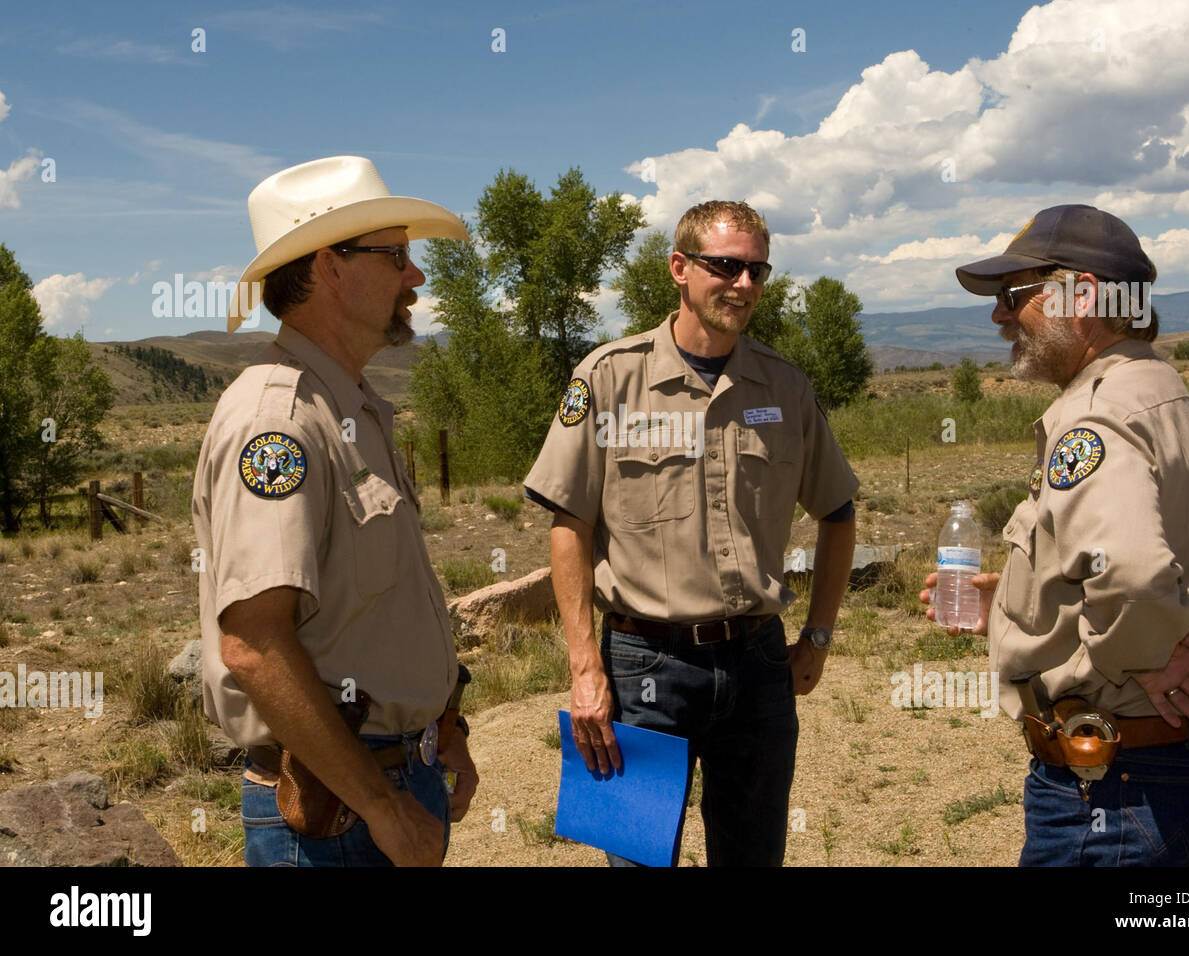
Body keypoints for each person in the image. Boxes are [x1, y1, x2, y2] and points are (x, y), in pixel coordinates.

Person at [524, 200, 859, 866]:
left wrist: (818, 635)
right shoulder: (609, 378)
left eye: (757, 272)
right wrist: (584, 666)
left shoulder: (786, 389)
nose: (744, 285)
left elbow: (839, 512)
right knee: (636, 856)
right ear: (680, 267)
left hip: (758, 664)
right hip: (641, 666)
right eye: (726, 266)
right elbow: (569, 523)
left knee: (753, 857)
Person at [921, 204, 1189, 866]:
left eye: (1014, 296)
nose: (1000, 316)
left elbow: (1133, 576)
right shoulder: (1156, 389)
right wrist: (1009, 607)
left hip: (1111, 787)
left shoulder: (1097, 416)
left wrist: (1148, 655)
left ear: (1082, 295)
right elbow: (1105, 562)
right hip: (1162, 770)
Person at [192, 155, 478, 866]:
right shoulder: (278, 422)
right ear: (331, 267)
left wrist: (444, 729)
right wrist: (382, 809)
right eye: (397, 257)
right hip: (338, 815)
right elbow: (255, 645)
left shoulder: (349, 408)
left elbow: (374, 611)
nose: (416, 277)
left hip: (384, 782)